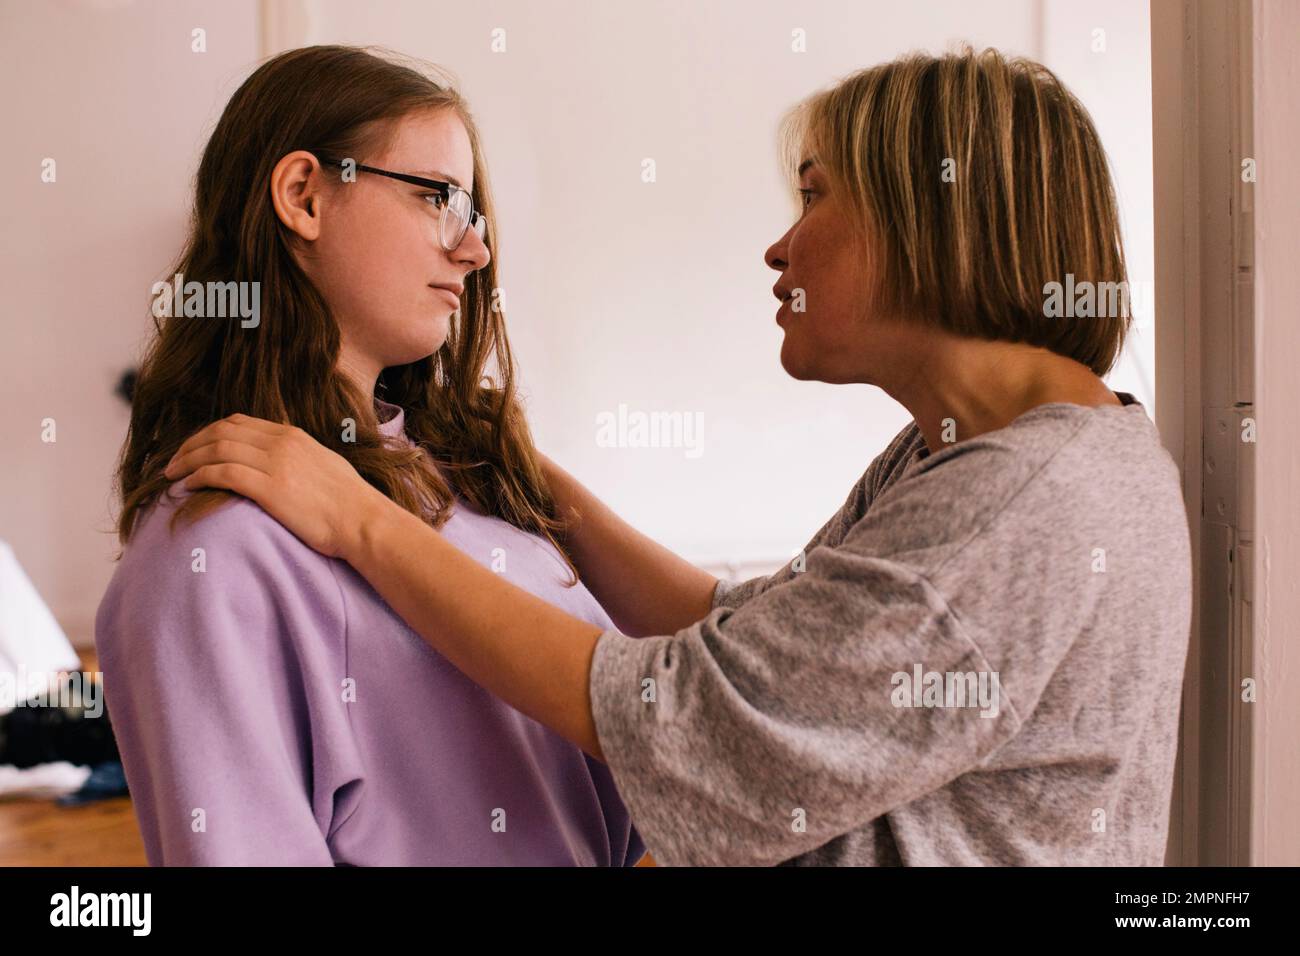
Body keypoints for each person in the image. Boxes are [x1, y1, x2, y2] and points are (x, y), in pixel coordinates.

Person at [165, 46, 1193, 866]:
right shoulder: (968, 457)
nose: (780, 247)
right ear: (299, 198)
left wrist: (360, 518)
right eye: (435, 198)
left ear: (934, 222)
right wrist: (523, 479)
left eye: (816, 196)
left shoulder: (1027, 500)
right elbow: (751, 640)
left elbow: (697, 712)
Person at [96, 45, 643, 866]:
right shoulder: (210, 558)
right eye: (437, 199)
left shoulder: (474, 488)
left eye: (473, 214)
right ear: (303, 196)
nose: (474, 252)